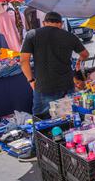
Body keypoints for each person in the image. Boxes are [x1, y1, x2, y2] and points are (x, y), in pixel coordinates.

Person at [20, 11, 90, 159]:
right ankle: (66, 149)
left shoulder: (32, 34)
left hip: (44, 86)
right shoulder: (69, 36)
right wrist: (78, 61)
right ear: (60, 23)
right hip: (66, 85)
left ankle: (36, 149)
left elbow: (23, 60)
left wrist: (31, 80)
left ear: (45, 22)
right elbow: (85, 54)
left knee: (41, 119)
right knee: (67, 118)